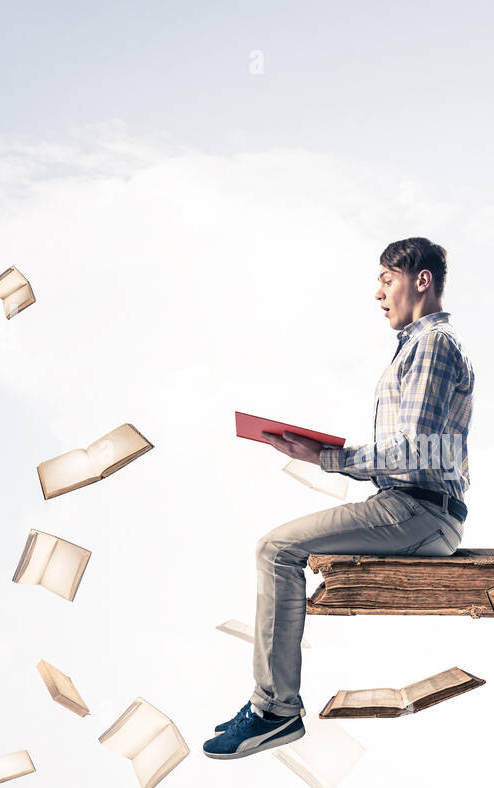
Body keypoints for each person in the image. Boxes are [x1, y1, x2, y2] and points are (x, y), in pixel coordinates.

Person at [203, 237, 475, 759]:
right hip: (414, 507)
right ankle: (270, 705)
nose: (378, 293)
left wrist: (327, 457)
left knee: (275, 549)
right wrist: (322, 452)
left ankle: (275, 711)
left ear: (421, 280)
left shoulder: (433, 346)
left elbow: (412, 453)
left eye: (386, 279)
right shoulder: (418, 348)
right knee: (275, 547)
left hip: (417, 510)